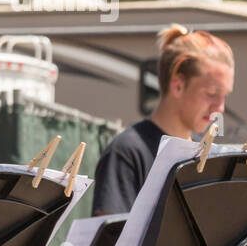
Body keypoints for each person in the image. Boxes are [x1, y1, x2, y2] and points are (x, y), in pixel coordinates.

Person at [92, 24, 234, 215]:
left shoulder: (206, 159)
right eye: (211, 93)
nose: (220, 107)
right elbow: (110, 239)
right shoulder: (127, 151)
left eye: (225, 95)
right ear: (178, 86)